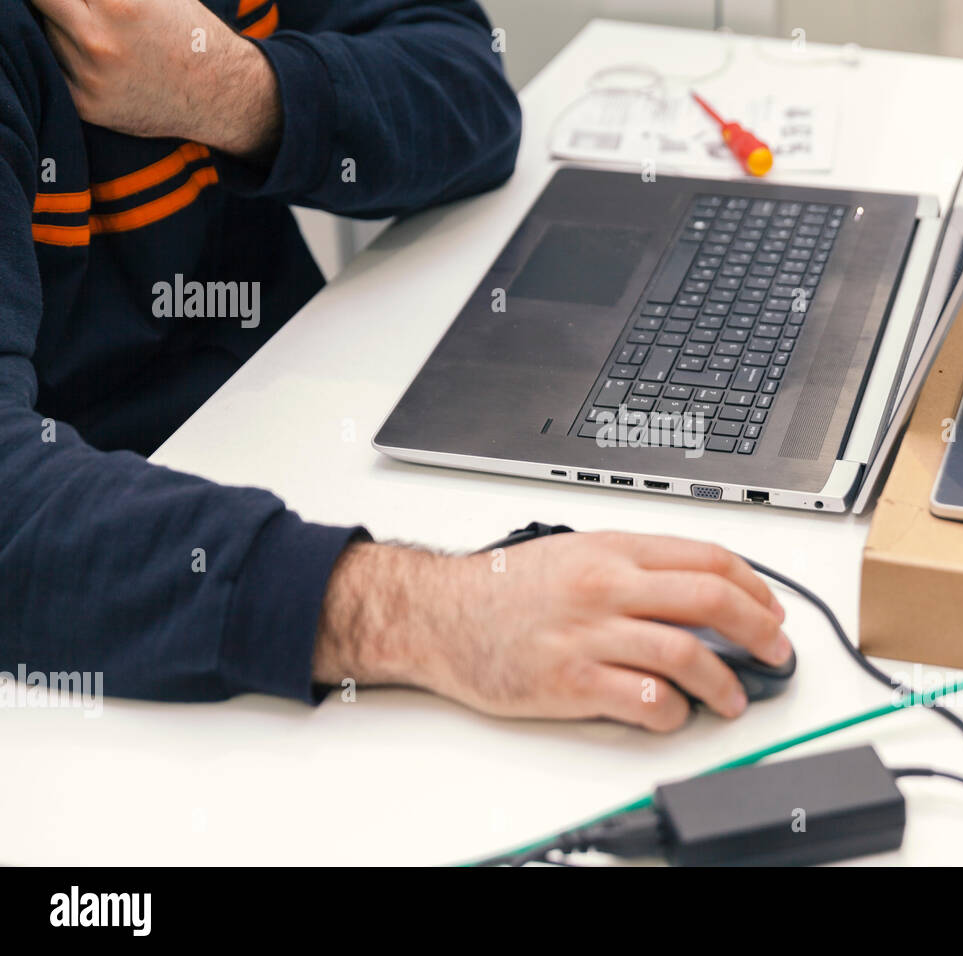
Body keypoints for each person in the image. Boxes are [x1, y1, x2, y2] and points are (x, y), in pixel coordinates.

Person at [1, 0, 792, 732]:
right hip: (106, 609)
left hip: (299, 462)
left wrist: (221, 87)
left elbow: (467, 86)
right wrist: (428, 613)